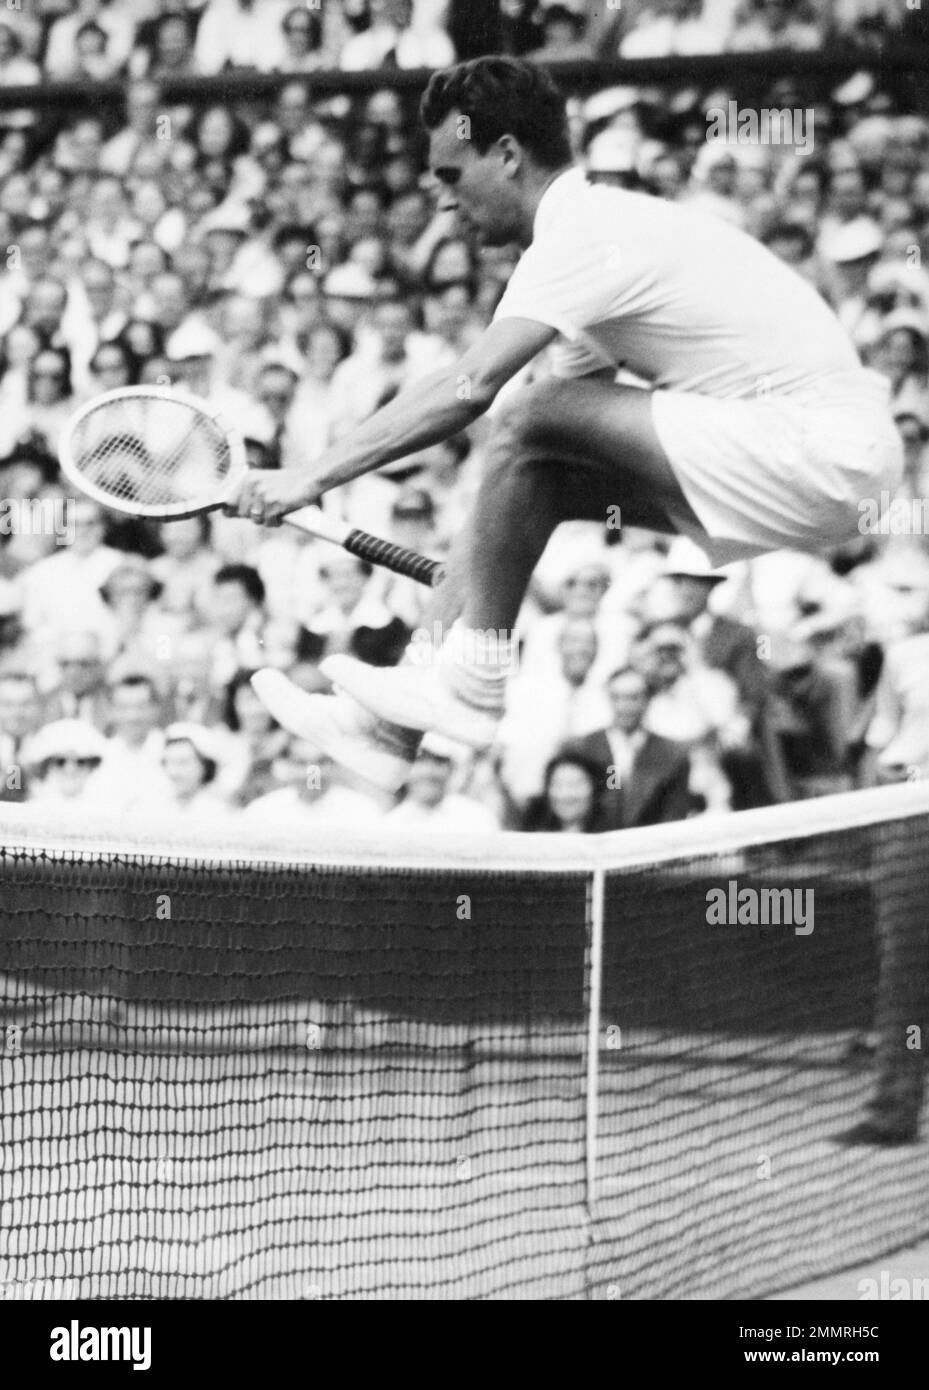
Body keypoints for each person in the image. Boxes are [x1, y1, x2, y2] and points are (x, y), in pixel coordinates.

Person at [224, 57, 902, 793]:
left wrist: (308, 477)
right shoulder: (590, 241)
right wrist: (479, 558)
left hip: (820, 450)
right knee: (528, 477)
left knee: (524, 414)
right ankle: (390, 730)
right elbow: (529, 462)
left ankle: (474, 688)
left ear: (507, 155)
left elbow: (471, 387)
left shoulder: (583, 232)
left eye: (451, 175)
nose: (442, 201)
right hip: (820, 474)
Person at [560, 665, 691, 830]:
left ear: (648, 700)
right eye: (617, 698)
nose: (624, 706)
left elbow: (674, 817)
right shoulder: (584, 749)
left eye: (633, 698)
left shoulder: (672, 755)